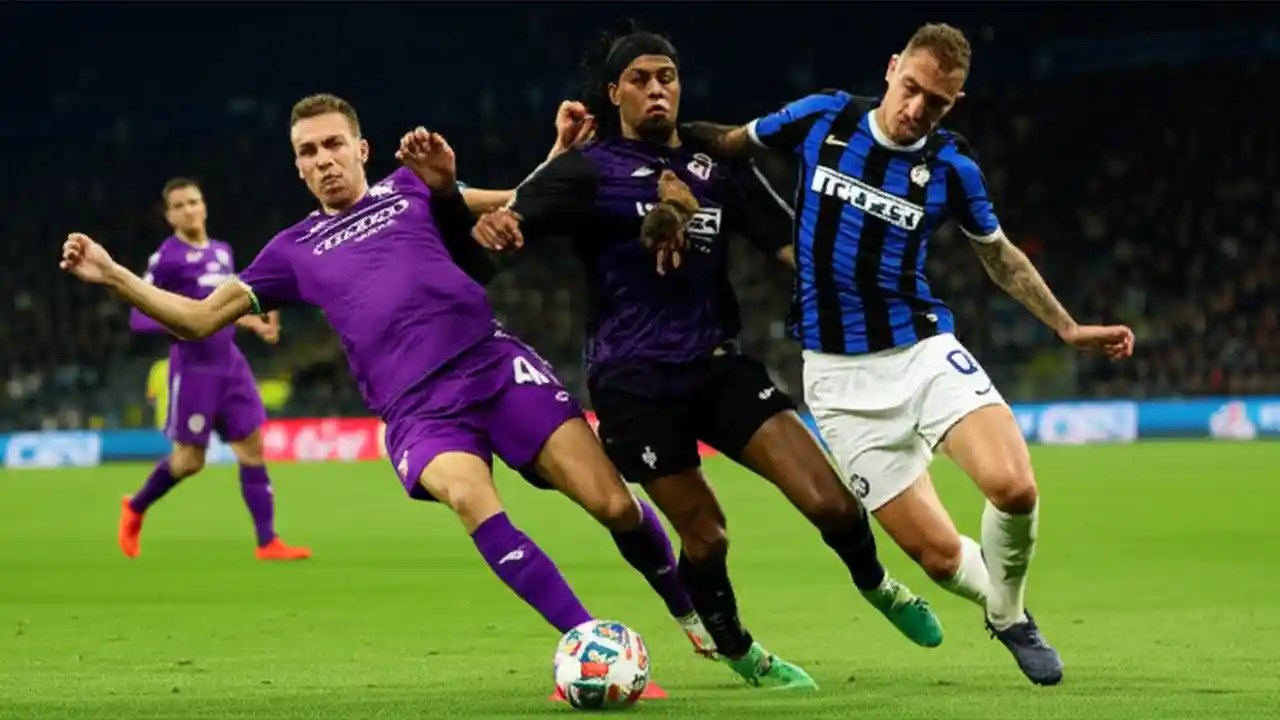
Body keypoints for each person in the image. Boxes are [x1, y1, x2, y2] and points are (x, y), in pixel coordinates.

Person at [59, 95, 701, 688]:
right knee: (469, 495)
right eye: (308, 153)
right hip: (419, 411)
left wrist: (558, 154)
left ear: (361, 149)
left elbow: (518, 202)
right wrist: (115, 275)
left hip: (492, 365)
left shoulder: (411, 187)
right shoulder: (291, 250)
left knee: (614, 506)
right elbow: (199, 317)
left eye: (333, 144)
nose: (324, 159)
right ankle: (590, 648)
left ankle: (695, 621)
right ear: (299, 169)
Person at [472, 26, 944, 690]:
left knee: (833, 502)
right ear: (615, 93)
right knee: (709, 537)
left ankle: (878, 586)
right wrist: (499, 222)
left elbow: (790, 248)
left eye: (666, 76)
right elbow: (500, 232)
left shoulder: (713, 161)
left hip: (718, 364)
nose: (656, 88)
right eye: (639, 78)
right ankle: (738, 647)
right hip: (632, 382)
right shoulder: (586, 169)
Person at [680, 23, 1136, 686]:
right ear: (892, 69)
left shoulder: (952, 167)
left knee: (1013, 487)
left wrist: (1065, 328)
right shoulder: (825, 116)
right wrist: (636, 136)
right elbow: (727, 145)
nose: (917, 108)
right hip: (837, 380)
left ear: (955, 104)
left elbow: (1000, 258)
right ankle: (996, 601)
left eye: (938, 102)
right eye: (912, 88)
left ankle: (1010, 617)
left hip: (920, 350)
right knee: (937, 556)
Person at [120, 178, 309, 561]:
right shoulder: (167, 259)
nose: (189, 209)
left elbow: (222, 306)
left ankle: (268, 542)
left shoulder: (222, 252)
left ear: (204, 205)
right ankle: (136, 507)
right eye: (180, 205)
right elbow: (139, 317)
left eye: (194, 201)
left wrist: (252, 321)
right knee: (190, 461)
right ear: (170, 216)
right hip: (193, 370)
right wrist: (185, 320)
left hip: (231, 366)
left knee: (253, 447)